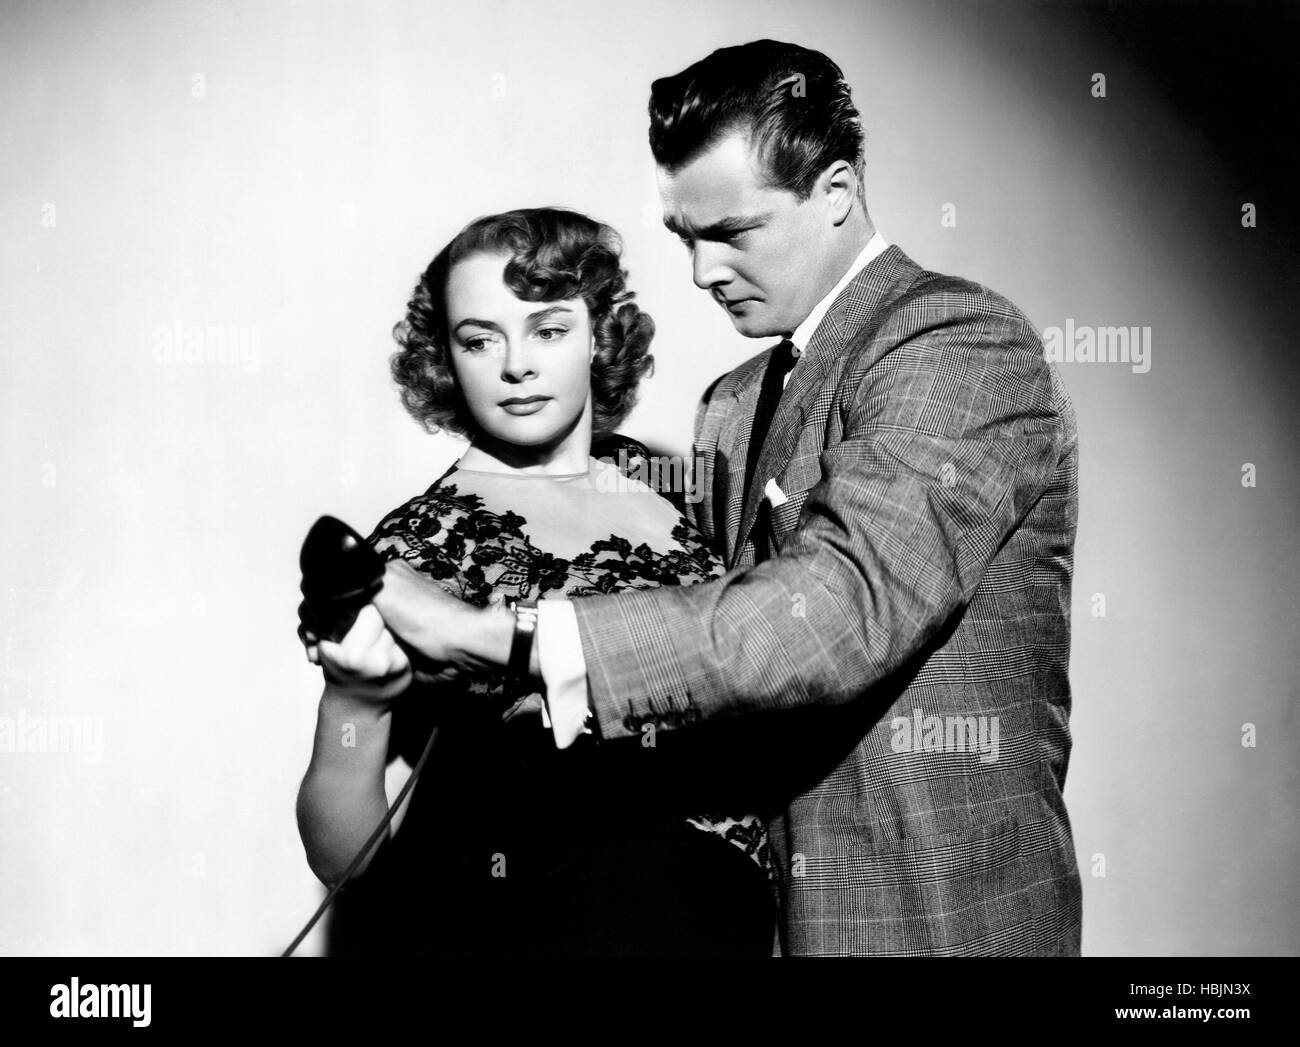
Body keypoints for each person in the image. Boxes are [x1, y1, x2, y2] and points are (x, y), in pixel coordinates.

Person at [341, 40, 1084, 957]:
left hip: (926, 924)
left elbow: (836, 614)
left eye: (731, 232)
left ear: (837, 195)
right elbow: (728, 672)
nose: (700, 271)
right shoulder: (732, 406)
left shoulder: (953, 343)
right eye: (683, 236)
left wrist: (517, 637)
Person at [295, 207, 775, 957]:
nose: (515, 365)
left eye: (547, 329)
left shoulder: (679, 495)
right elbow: (343, 856)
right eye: (480, 339)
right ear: (445, 358)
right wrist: (351, 699)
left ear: (598, 335)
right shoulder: (423, 542)